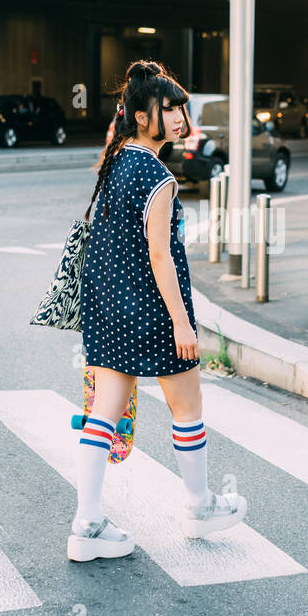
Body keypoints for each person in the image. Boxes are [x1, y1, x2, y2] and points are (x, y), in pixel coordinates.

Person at [69, 59, 248, 562]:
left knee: (102, 414)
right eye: (168, 108)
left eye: (181, 107)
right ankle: (199, 506)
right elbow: (159, 254)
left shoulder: (117, 159)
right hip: (152, 313)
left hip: (107, 307)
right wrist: (182, 321)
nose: (178, 116)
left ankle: (86, 523)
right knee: (187, 408)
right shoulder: (158, 176)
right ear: (142, 115)